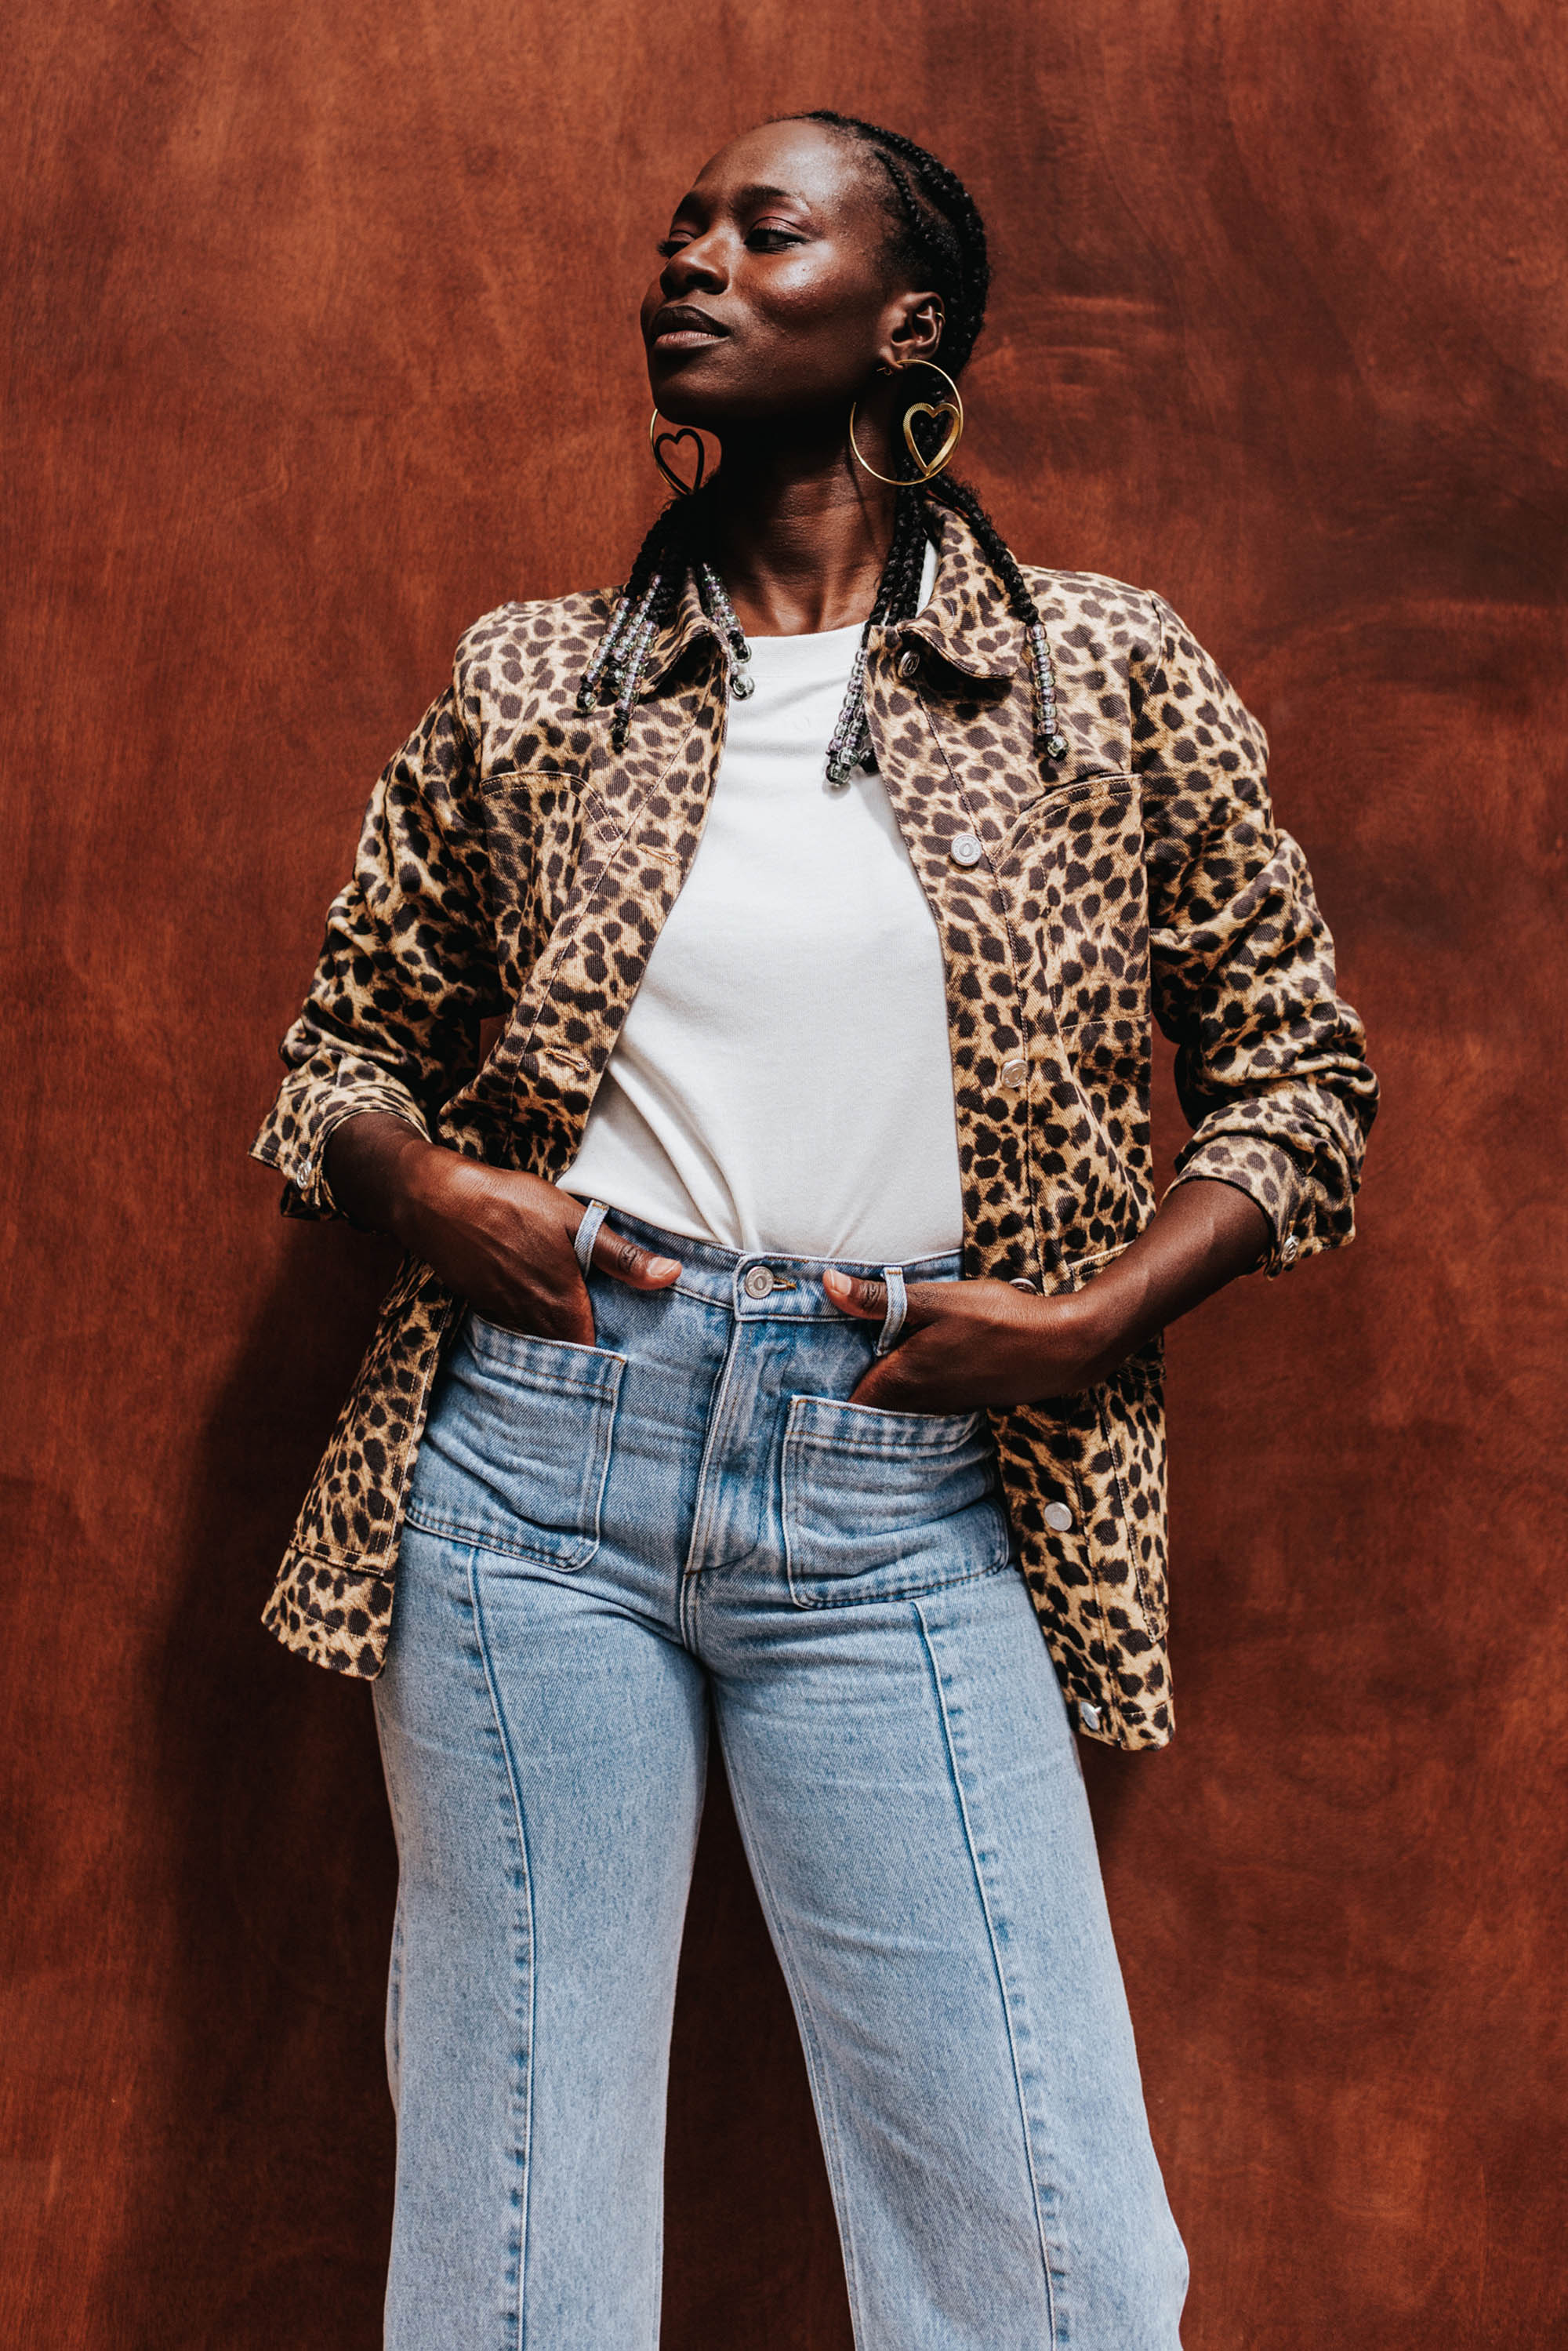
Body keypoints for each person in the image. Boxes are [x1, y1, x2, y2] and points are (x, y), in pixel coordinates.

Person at [252, 109, 1376, 2351]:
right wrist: (430, 1190)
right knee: (515, 2236)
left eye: (762, 230)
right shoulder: (532, 680)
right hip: (533, 1472)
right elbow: (338, 1054)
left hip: (903, 1481)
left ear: (907, 320)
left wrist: (1091, 1320)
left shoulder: (1097, 673)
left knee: (1050, 2257)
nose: (689, 261)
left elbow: (1300, 1078)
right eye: (680, 229)